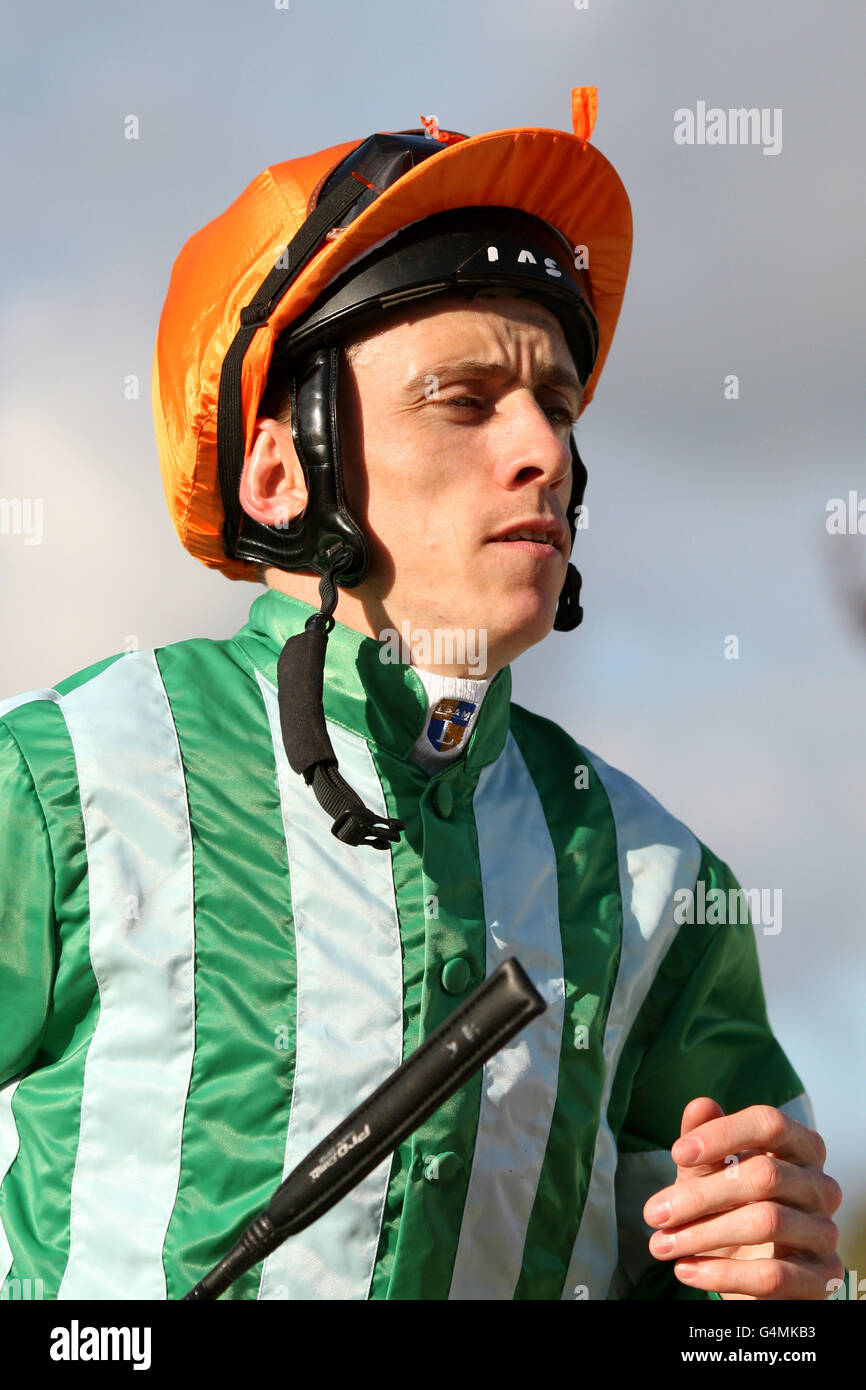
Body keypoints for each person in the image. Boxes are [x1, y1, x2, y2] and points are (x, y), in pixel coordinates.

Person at [0, 88, 844, 1302]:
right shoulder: (59, 783)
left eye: (555, 403)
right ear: (282, 467)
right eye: (463, 400)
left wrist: (773, 1308)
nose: (543, 449)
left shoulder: (663, 880)